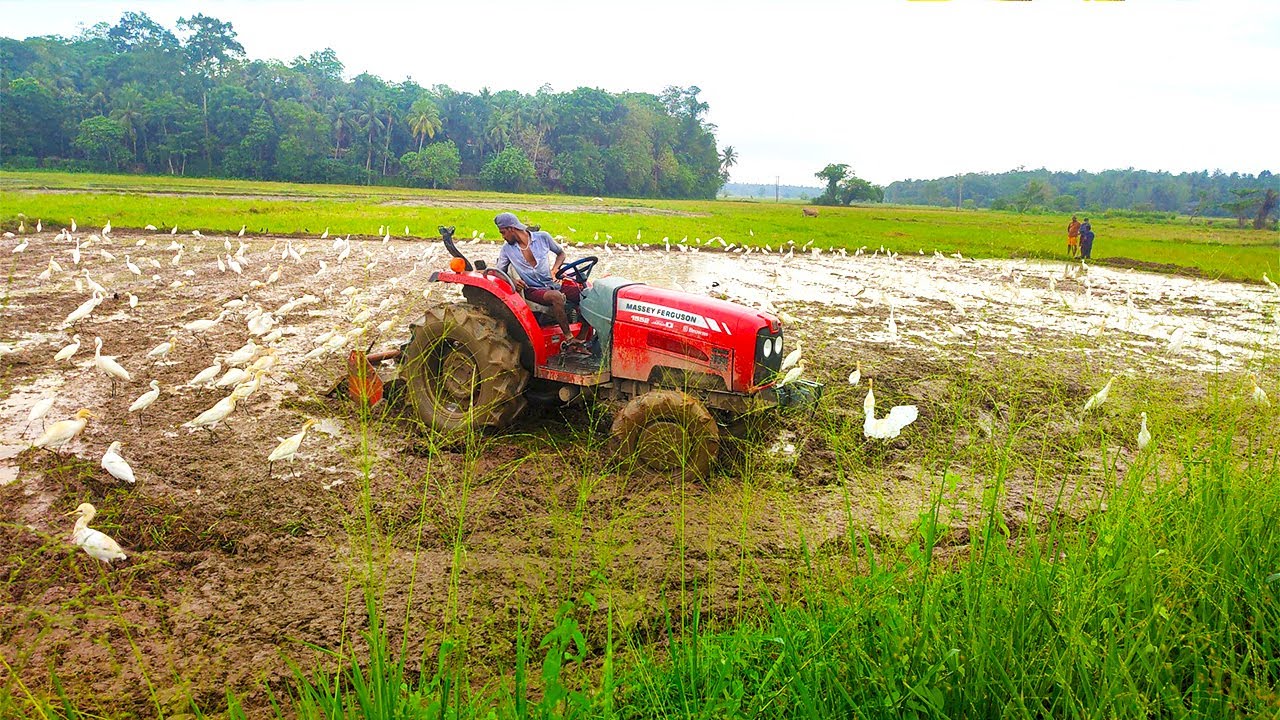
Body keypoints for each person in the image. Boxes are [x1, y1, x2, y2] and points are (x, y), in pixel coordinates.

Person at [493, 211, 588, 352]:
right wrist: (513, 280)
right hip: (532, 289)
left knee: (587, 294)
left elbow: (561, 253)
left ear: (511, 229)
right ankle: (569, 338)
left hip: (551, 284)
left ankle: (582, 337)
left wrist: (555, 269)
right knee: (556, 296)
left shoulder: (543, 238)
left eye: (503, 232)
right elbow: (498, 272)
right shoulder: (507, 249)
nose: (503, 237)